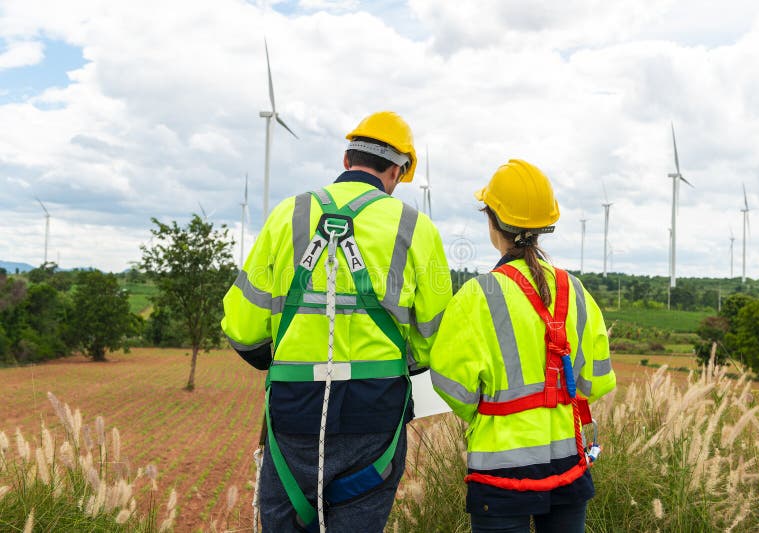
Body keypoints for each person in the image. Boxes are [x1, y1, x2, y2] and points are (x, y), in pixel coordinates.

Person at [221, 111, 452, 532]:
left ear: (347, 160)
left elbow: (242, 327)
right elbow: (437, 334)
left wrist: (283, 355)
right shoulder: (415, 228)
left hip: (294, 411)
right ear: (398, 172)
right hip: (376, 412)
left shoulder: (286, 216)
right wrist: (407, 361)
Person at [430, 159, 616, 533]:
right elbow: (596, 381)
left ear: (492, 220)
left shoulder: (477, 295)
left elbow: (451, 384)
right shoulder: (576, 290)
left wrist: (493, 415)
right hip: (568, 464)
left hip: (500, 471)